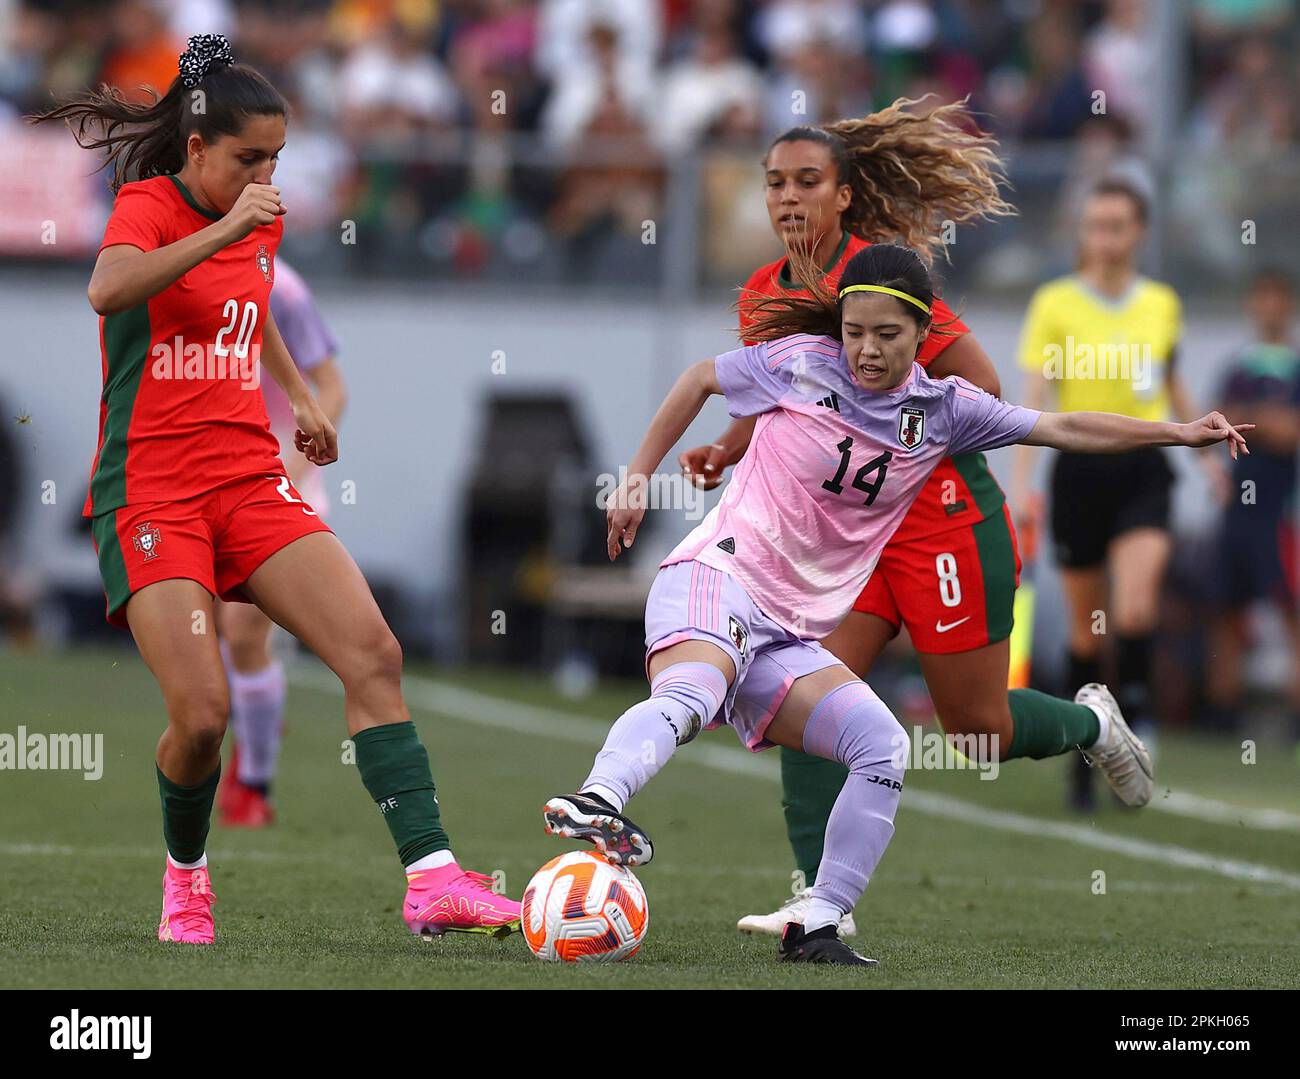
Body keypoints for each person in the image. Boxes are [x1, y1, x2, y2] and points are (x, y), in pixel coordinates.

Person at [544, 242, 1249, 966]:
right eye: (854, 332)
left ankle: (818, 920)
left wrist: (1179, 431)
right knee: (694, 687)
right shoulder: (799, 362)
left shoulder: (943, 411)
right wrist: (637, 478)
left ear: (922, 335)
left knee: (882, 745)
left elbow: (1064, 426)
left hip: (785, 632)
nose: (866, 350)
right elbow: (699, 378)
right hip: (716, 577)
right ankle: (599, 797)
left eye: (886, 335)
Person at [31, 34, 519, 944]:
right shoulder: (146, 206)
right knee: (203, 715)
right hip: (151, 495)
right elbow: (108, 290)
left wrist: (299, 396)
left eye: (277, 158)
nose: (266, 175)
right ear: (196, 149)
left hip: (248, 478)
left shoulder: (259, 221)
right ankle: (186, 875)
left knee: (373, 651)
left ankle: (434, 878)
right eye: (248, 158)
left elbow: (245, 312)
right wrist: (224, 228)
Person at [680, 100, 1129, 939]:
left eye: (807, 182)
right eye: (774, 182)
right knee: (807, 703)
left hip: (938, 517)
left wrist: (898, 441)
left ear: (844, 196)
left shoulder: (881, 274)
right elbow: (792, 398)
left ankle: (1090, 722)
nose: (787, 199)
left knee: (977, 732)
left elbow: (982, 382)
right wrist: (729, 446)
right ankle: (818, 905)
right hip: (846, 535)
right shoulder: (762, 293)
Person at [1011, 177, 1212, 811]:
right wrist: (1022, 486)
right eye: (1095, 225)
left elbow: (1172, 382)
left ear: (1138, 233)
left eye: (1117, 225)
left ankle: (1143, 725)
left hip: (1145, 466)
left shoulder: (1160, 302)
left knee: (1133, 611)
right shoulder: (1055, 303)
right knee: (1084, 635)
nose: (1104, 237)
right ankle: (1084, 757)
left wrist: (1206, 453)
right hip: (1078, 470)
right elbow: (1032, 401)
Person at [217, 259, 347, 828]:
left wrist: (293, 464)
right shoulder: (179, 265)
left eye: (265, 165)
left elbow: (333, 390)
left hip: (278, 479)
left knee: (244, 632)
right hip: (210, 475)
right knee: (213, 638)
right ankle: (255, 720)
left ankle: (254, 779)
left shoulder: (285, 289)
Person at [1204, 269, 1300, 730]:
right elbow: (1214, 426)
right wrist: (1266, 421)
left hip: (1281, 512)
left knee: (1289, 610)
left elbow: (1288, 435)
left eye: (1276, 298)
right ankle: (1222, 714)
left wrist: (1254, 420)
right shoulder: (1238, 368)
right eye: (1260, 298)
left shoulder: (1295, 368)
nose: (1267, 307)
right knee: (1226, 608)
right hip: (1237, 511)